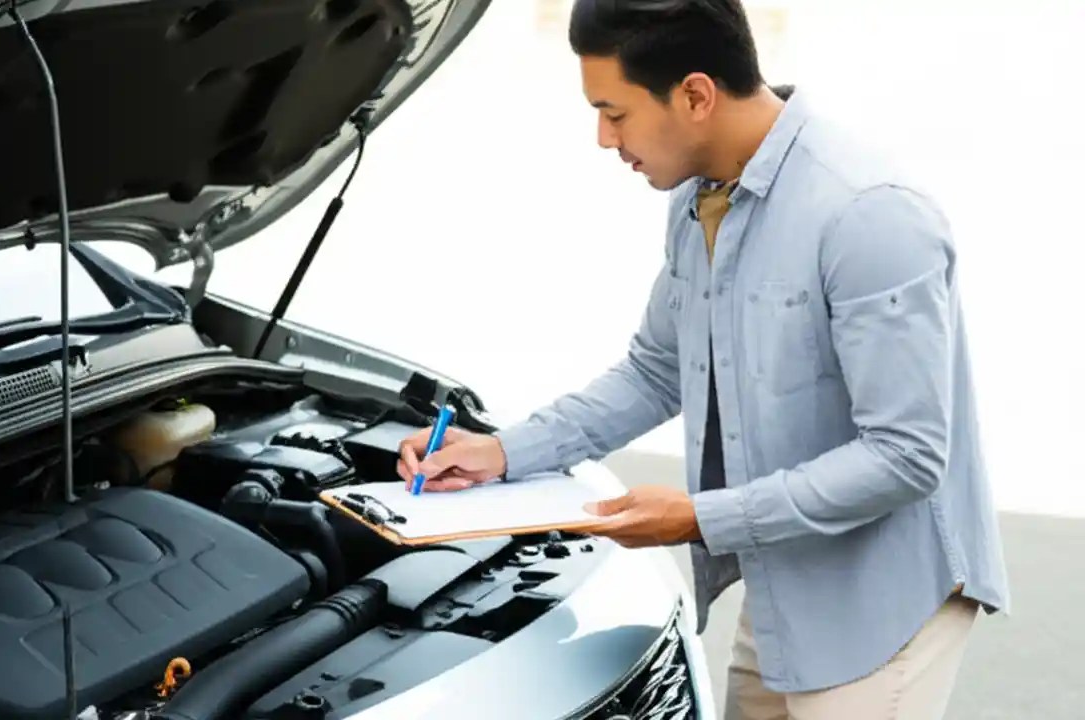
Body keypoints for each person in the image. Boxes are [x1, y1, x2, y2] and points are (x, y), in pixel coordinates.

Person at [395, 1, 1009, 718]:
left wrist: (700, 518)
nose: (603, 138)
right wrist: (502, 453)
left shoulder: (867, 214)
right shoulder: (700, 196)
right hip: (786, 577)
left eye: (614, 113)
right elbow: (657, 370)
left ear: (694, 95)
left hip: (884, 607)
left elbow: (905, 455)